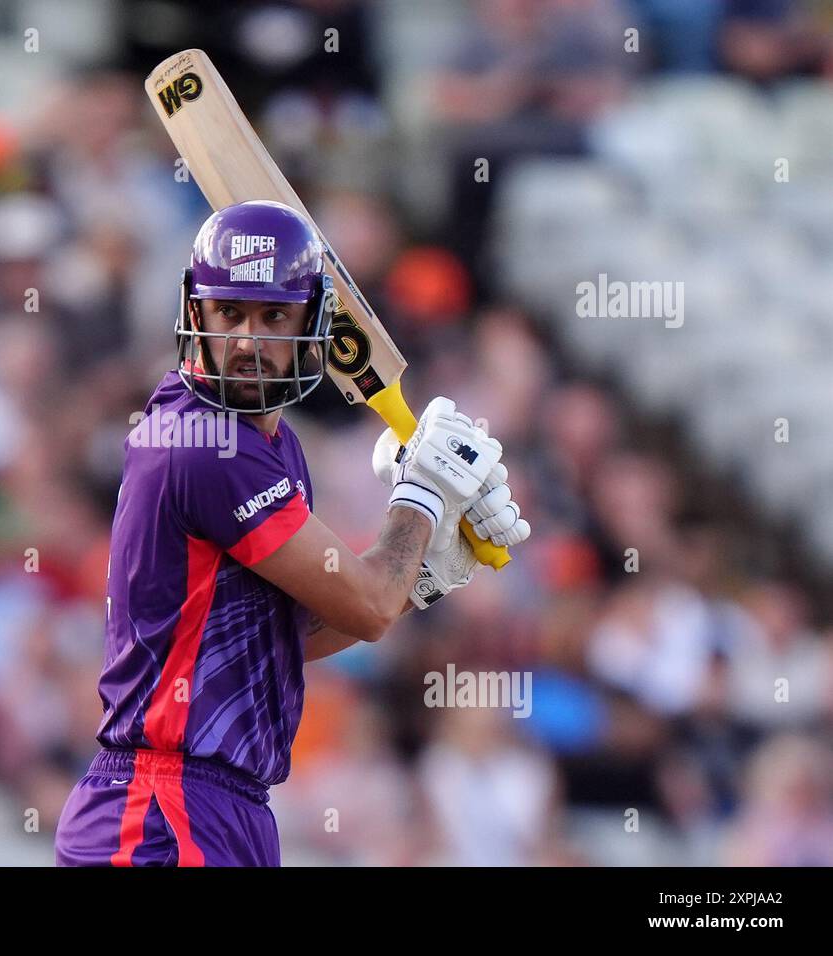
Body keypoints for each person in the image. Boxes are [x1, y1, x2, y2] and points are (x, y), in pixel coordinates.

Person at [53, 200, 531, 866]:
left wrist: (427, 570)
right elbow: (366, 603)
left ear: (314, 326)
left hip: (224, 807)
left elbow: (288, 635)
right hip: (162, 808)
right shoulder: (205, 441)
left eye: (274, 316)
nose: (248, 341)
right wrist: (422, 497)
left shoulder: (269, 446)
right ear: (198, 317)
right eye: (230, 314)